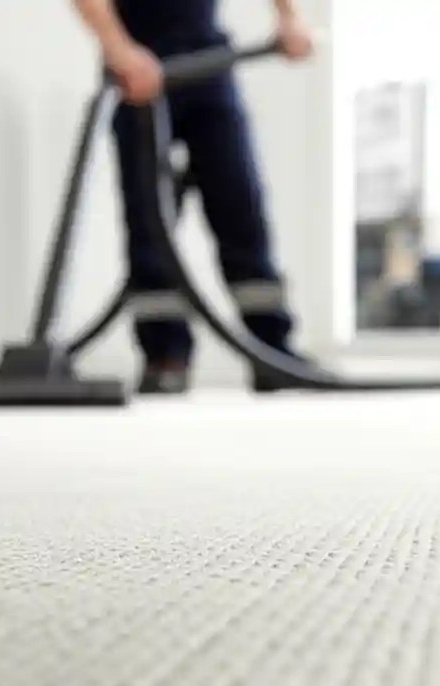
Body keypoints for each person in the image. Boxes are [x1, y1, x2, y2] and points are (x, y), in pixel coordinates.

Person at [72, 0, 315, 394]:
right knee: (151, 222)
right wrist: (118, 49)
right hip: (138, 70)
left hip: (209, 64)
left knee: (241, 209)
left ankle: (272, 349)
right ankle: (165, 355)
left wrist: (289, 18)